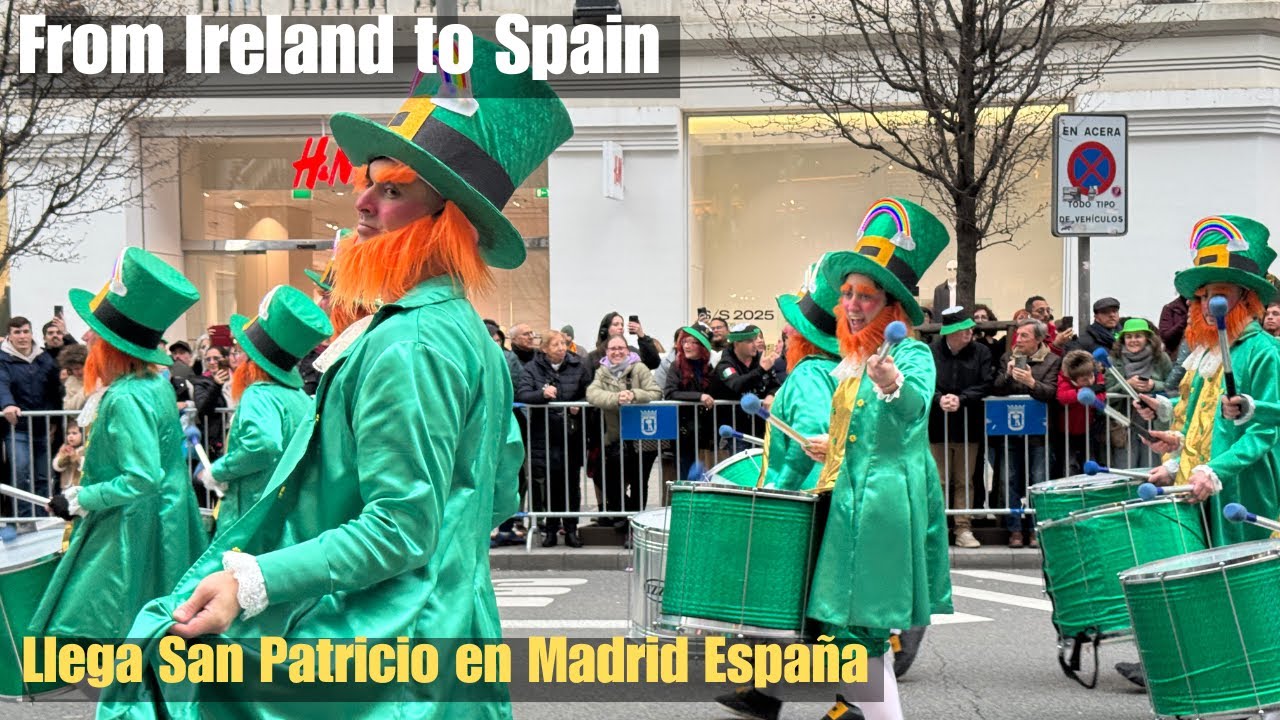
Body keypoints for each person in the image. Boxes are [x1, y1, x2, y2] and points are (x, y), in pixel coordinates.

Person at [98, 41, 572, 718]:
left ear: (448, 220)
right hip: (447, 638)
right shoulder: (460, 330)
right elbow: (493, 493)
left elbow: (402, 528)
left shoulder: (410, 342)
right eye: (368, 181)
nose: (364, 203)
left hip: (390, 661)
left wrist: (254, 582)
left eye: (395, 188)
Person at [801, 197, 953, 720]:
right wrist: (828, 444)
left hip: (883, 502)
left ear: (891, 306)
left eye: (865, 295)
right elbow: (858, 429)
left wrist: (891, 382)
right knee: (849, 631)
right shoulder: (850, 359)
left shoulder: (909, 354)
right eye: (846, 293)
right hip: (850, 496)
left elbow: (912, 409)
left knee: (858, 630)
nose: (852, 303)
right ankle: (854, 712)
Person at [31, 246, 207, 641]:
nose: (89, 339)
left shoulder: (127, 396)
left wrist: (81, 497)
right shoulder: (151, 385)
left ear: (113, 346)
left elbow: (140, 478)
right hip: (160, 522)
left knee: (109, 631)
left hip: (133, 529)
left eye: (97, 334)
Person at [1137, 214, 1280, 547]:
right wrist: (1175, 452)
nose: (1204, 306)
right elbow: (1202, 420)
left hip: (1245, 485)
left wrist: (1218, 469)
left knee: (1244, 582)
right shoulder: (1208, 351)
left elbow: (1266, 428)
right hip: (1203, 481)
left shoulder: (1264, 352)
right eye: (1201, 297)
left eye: (1217, 295)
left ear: (1247, 299)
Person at [197, 286, 330, 536]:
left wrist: (218, 471)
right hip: (287, 515)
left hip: (252, 515)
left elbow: (262, 445)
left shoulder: (259, 394)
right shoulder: (299, 398)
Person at [515, 330, 592, 548]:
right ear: (545, 349)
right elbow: (522, 395)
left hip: (571, 435)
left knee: (571, 485)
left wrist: (580, 404)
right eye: (556, 344)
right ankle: (549, 529)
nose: (561, 348)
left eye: (563, 344)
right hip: (544, 436)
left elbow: (589, 392)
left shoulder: (578, 366)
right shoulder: (532, 368)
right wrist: (542, 394)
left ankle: (571, 529)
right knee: (548, 486)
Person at [992, 318, 1062, 547]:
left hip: (1040, 434)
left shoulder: (1052, 360)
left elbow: (1052, 393)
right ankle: (1014, 529)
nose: (1018, 340)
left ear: (1039, 339)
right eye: (1017, 335)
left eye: (1024, 336)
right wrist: (1008, 375)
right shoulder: (1007, 357)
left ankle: (1035, 528)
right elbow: (997, 389)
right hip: (1010, 431)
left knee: (1038, 480)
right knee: (1009, 479)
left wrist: (1032, 383)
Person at [929, 306, 994, 548]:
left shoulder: (981, 352)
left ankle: (963, 528)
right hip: (938, 426)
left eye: (970, 330)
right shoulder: (931, 352)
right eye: (963, 330)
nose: (969, 333)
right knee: (939, 479)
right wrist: (938, 399)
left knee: (965, 480)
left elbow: (986, 383)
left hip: (969, 424)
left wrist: (962, 398)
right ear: (950, 333)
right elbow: (923, 381)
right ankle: (938, 527)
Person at [586, 335, 663, 523]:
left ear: (628, 351)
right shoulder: (602, 371)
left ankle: (633, 525)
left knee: (639, 482)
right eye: (613, 349)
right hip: (615, 437)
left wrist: (634, 395)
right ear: (607, 352)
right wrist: (616, 398)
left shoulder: (639, 368)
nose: (617, 352)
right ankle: (631, 516)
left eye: (621, 348)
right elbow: (592, 393)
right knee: (602, 477)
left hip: (642, 437)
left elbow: (656, 392)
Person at [1104, 317, 1172, 468]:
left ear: (1147, 338)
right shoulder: (1113, 360)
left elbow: (1174, 387)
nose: (1133, 340)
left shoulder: (1161, 358)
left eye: (1138, 336)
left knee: (1152, 466)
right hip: (1125, 422)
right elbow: (1107, 394)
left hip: (1154, 422)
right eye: (1128, 337)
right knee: (1126, 466)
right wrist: (1126, 385)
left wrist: (1153, 385)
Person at [663, 325, 718, 482]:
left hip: (704, 431)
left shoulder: (709, 368)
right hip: (683, 430)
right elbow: (670, 393)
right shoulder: (676, 366)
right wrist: (699, 396)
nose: (687, 345)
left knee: (705, 473)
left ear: (702, 347)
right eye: (685, 341)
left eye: (693, 342)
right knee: (685, 471)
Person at [1054, 349, 1107, 477]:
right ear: (1072, 377)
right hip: (1066, 431)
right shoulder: (1063, 378)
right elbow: (1062, 397)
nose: (1089, 381)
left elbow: (1100, 398)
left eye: (1091, 377)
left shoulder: (1096, 375)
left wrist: (1086, 391)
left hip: (1089, 429)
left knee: (1091, 462)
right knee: (1070, 464)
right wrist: (1085, 392)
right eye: (1084, 379)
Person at [51, 419, 84, 491]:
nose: (70, 436)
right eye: (68, 434)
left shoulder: (85, 449)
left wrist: (76, 457)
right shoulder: (64, 448)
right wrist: (65, 458)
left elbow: (86, 466)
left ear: (82, 434)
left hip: (80, 487)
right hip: (66, 487)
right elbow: (56, 466)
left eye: (74, 433)